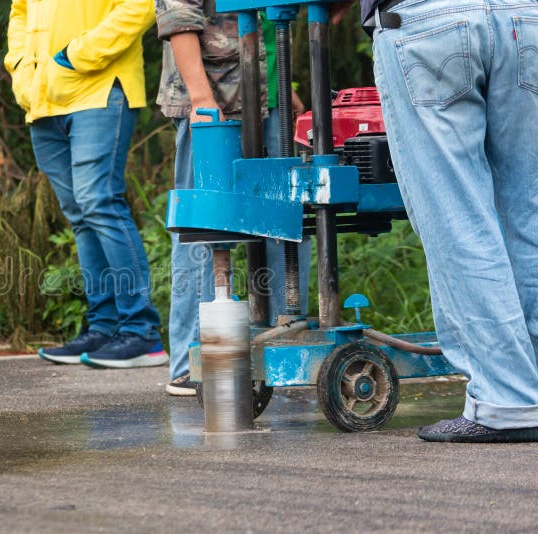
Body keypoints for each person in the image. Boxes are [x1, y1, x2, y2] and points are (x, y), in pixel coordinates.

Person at [341, 0, 538, 442]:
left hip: (431, 22)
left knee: (458, 218)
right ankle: (528, 388)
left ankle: (508, 400)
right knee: (531, 215)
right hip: (524, 18)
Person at [155, 1, 311, 396]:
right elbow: (178, 17)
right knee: (202, 225)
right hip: (214, 97)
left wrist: (282, 86)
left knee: (285, 219)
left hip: (269, 94)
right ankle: (194, 361)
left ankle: (288, 351)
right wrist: (201, 99)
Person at [5, 0, 168, 369]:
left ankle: (141, 331)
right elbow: (20, 12)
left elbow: (142, 6)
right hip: (43, 98)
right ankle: (104, 328)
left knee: (99, 203)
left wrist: (76, 56)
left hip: (100, 87)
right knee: (80, 215)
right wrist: (20, 65)